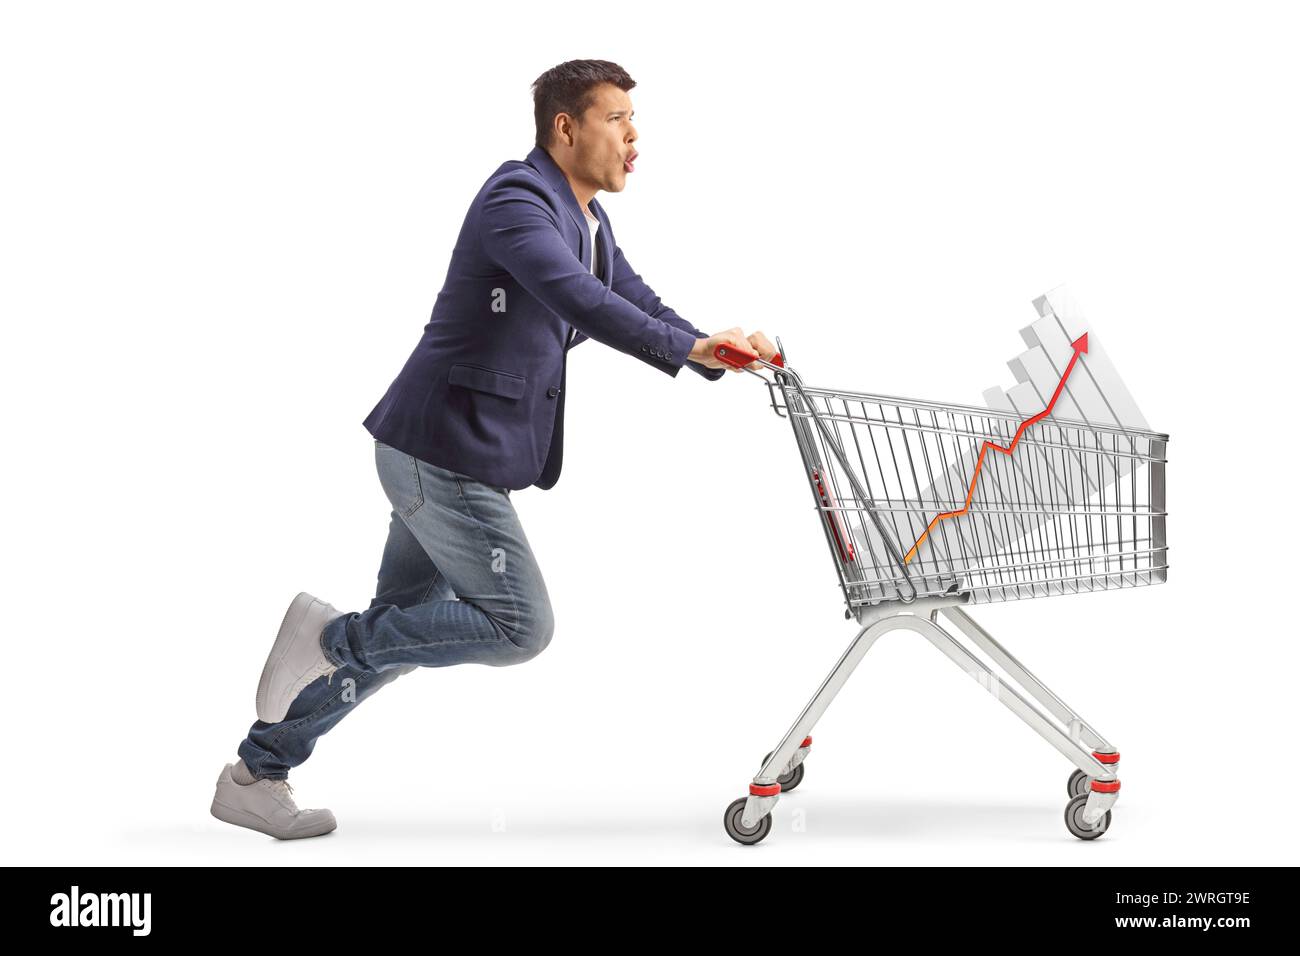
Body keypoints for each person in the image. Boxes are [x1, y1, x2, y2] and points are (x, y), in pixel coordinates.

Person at [210, 58, 776, 839]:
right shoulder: (516, 201)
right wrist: (680, 351)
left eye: (632, 121)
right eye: (616, 119)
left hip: (456, 450)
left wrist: (704, 345)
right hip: (441, 452)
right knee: (518, 626)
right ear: (564, 127)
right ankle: (327, 637)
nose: (633, 135)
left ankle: (256, 773)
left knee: (404, 634)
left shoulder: (587, 217)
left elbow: (631, 296)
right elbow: (578, 297)